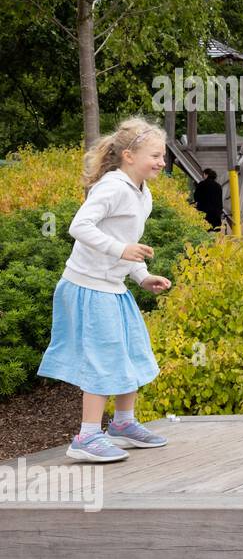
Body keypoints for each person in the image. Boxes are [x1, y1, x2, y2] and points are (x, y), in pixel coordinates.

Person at [37, 118, 173, 463]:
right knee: (101, 358)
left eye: (163, 155)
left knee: (131, 351)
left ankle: (123, 424)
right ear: (128, 155)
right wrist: (120, 251)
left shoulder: (144, 194)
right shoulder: (112, 186)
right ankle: (86, 436)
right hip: (87, 287)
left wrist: (141, 276)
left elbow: (129, 246)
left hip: (112, 287)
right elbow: (78, 225)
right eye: (155, 155)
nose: (161, 162)